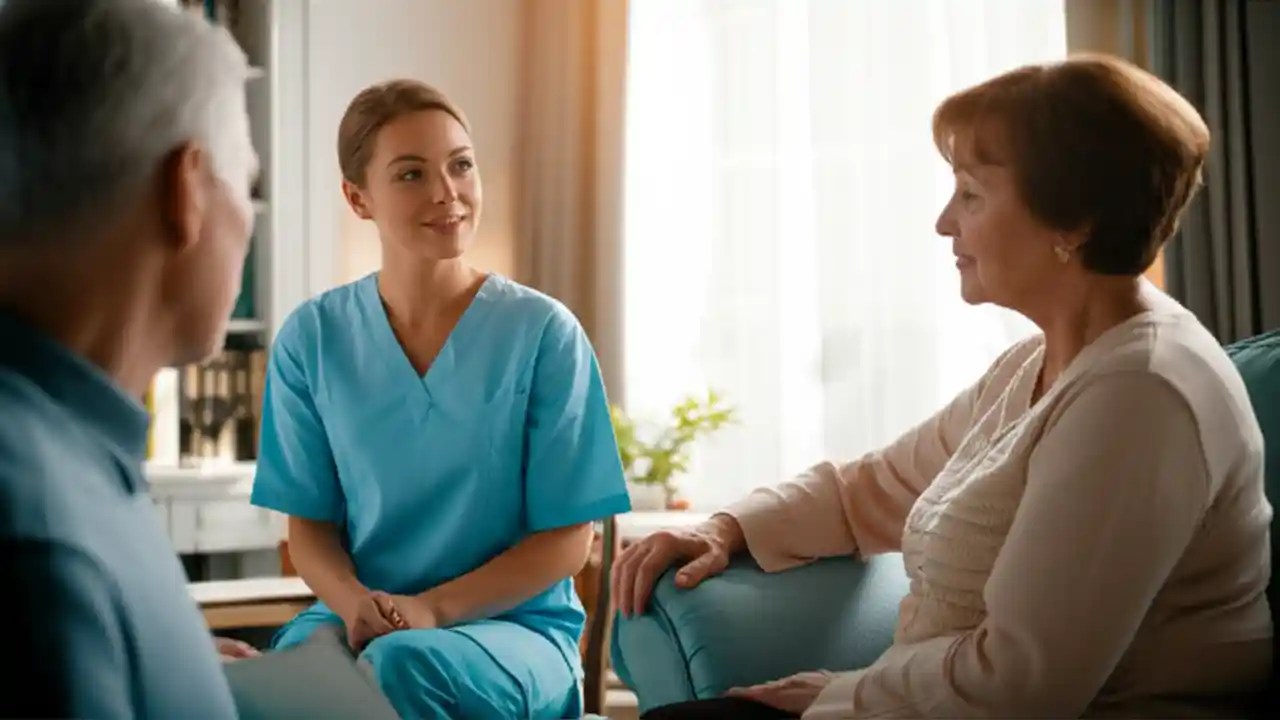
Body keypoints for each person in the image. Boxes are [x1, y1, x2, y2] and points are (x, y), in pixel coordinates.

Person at [614, 53, 1272, 719]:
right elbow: (871, 490)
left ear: (1073, 224)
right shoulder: (1036, 365)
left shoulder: (1140, 393)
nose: (944, 222)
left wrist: (841, 695)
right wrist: (727, 528)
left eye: (972, 194)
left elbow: (1021, 682)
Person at [249, 79, 632, 719]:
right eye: (410, 174)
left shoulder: (542, 334)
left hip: (517, 631)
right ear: (357, 198)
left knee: (399, 666)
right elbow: (308, 528)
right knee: (277, 683)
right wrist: (353, 605)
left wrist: (431, 611)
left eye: (461, 165)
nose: (446, 192)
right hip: (359, 620)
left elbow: (569, 541)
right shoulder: (312, 339)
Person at [0, 0, 263, 717]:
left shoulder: (68, 458)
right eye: (247, 183)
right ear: (187, 189)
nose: (249, 223)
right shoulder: (45, 548)